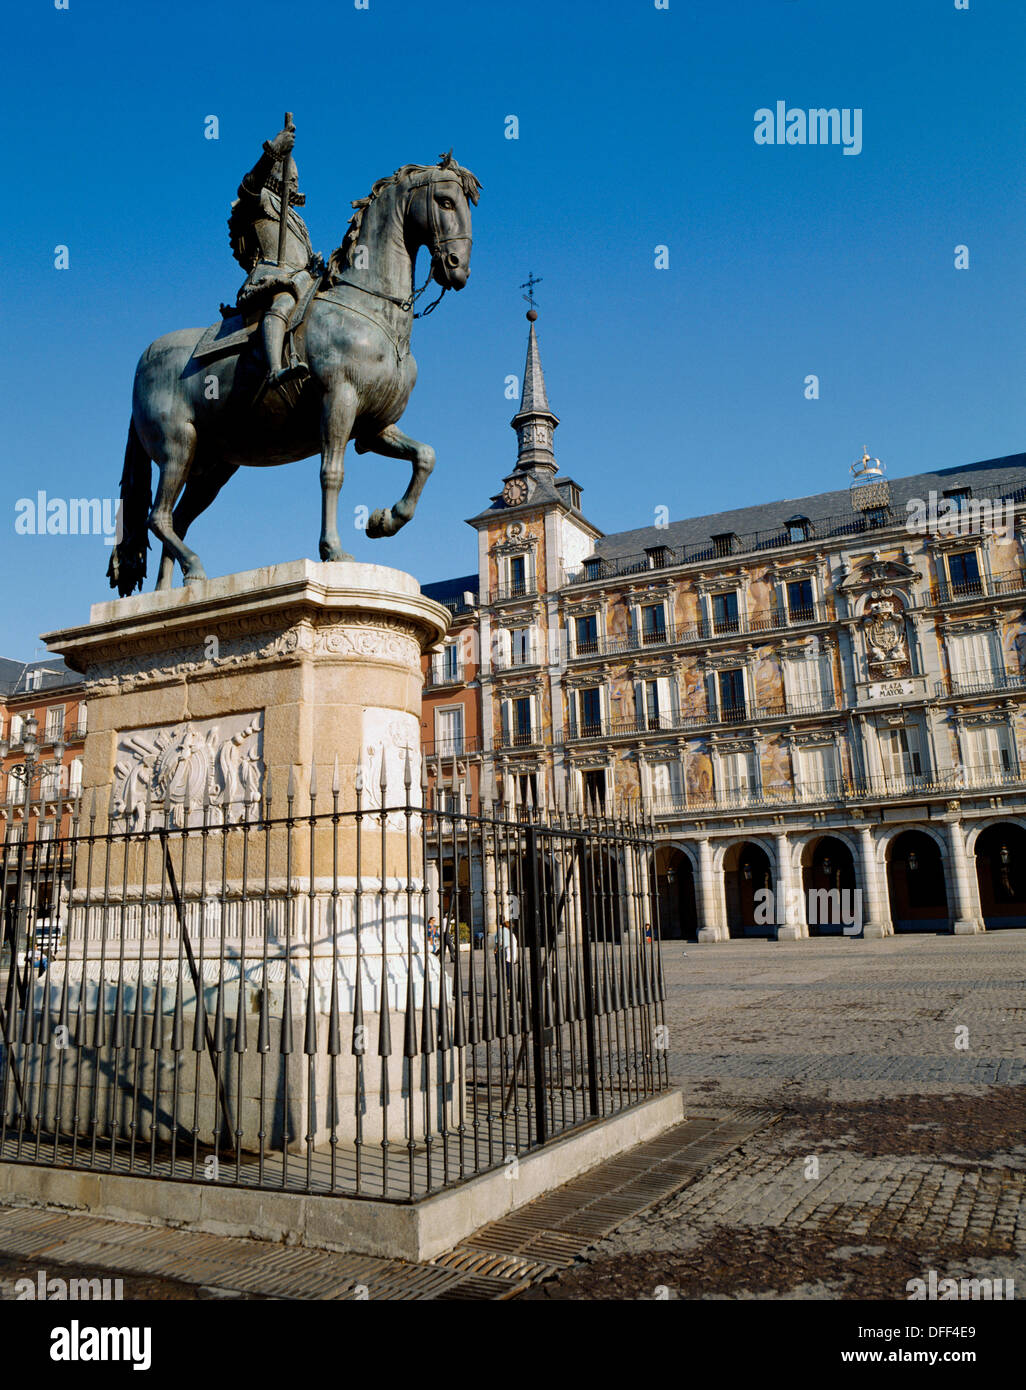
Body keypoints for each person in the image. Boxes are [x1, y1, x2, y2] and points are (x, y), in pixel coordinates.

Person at [227, 119, 323, 390]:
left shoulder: (297, 220)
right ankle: (273, 370)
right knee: (282, 301)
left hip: (302, 278)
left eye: (297, 178)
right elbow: (247, 188)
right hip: (272, 276)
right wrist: (272, 151)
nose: (295, 181)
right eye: (290, 176)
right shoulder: (262, 201)